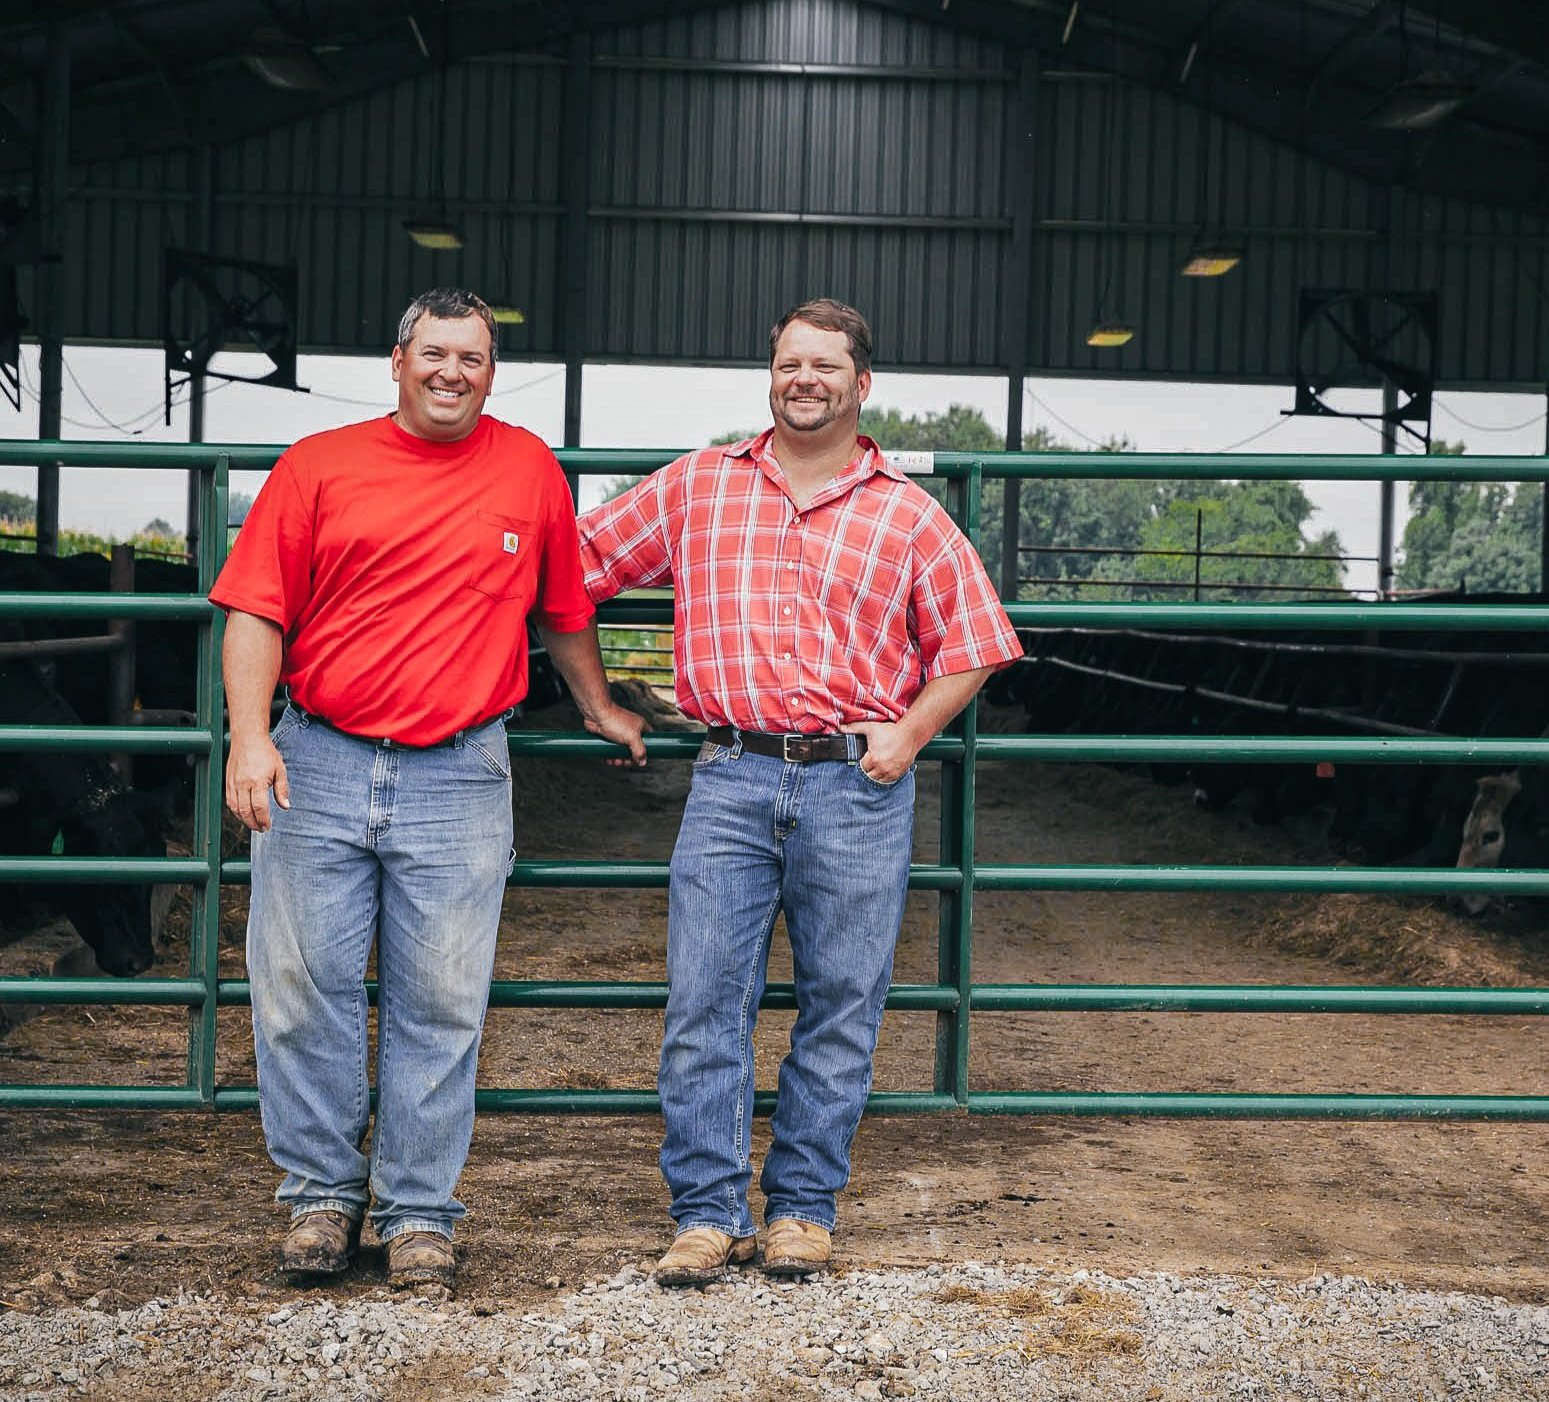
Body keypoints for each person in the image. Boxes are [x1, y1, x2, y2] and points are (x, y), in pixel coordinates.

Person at [211, 287, 647, 1295]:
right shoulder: (319, 464)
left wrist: (596, 705)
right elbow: (254, 612)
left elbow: (562, 605)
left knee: (442, 1000)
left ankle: (417, 1211)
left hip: (460, 764)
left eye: (476, 359)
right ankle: (322, 1194)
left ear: (492, 374)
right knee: (297, 987)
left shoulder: (528, 466)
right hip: (316, 753)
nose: (455, 372)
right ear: (398, 360)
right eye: (437, 354)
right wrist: (248, 738)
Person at [578, 298, 1021, 1286]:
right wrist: (593, 691)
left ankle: (803, 1209)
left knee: (841, 1003)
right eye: (788, 363)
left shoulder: (907, 512)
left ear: (862, 384)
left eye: (824, 365)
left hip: (853, 782)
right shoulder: (699, 486)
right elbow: (577, 562)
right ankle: (705, 1212)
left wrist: (909, 734)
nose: (803, 379)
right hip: (731, 770)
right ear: (769, 375)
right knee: (703, 999)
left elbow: (978, 640)